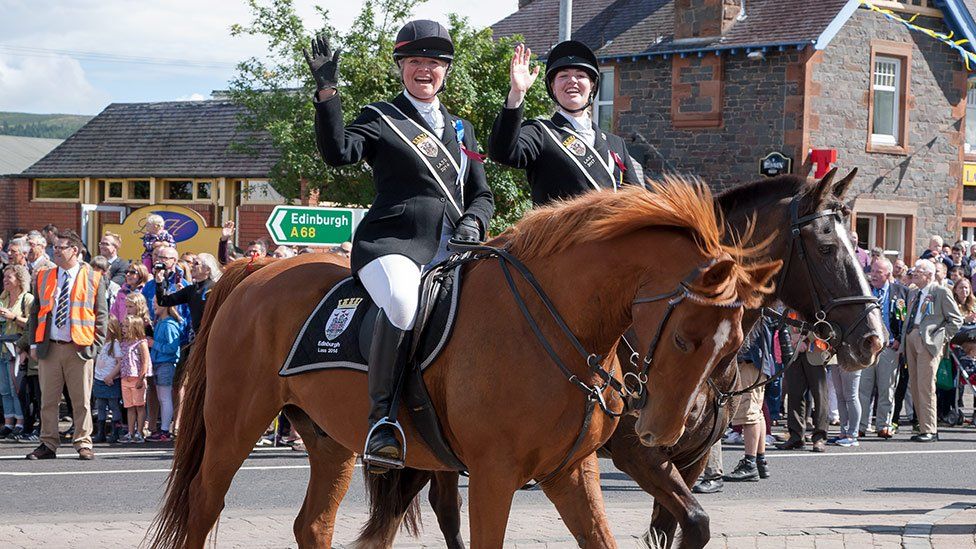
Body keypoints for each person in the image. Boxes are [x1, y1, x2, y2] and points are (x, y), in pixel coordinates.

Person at [306, 20, 494, 472]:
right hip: (393, 244)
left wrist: (474, 221)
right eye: (414, 62)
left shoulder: (462, 130)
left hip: (454, 249)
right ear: (401, 68)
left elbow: (482, 194)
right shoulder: (381, 117)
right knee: (403, 303)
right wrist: (328, 93)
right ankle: (382, 422)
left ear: (446, 70)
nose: (424, 70)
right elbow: (338, 152)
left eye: (433, 62)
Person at [489, 41, 641, 206]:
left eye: (581, 75)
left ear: (592, 86)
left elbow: (637, 200)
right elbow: (501, 153)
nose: (572, 80)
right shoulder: (540, 132)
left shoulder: (616, 144)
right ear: (553, 88)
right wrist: (516, 94)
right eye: (563, 76)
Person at [24, 229, 107, 461]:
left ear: (75, 250)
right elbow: (36, 313)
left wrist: (96, 346)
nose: (56, 252)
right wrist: (33, 343)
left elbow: (102, 315)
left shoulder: (93, 277)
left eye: (61, 248)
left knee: (82, 401)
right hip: (49, 347)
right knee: (48, 400)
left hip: (79, 347)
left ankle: (83, 442)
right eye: (55, 247)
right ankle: (48, 443)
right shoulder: (44, 276)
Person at [901, 259, 963, 442]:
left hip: (927, 342)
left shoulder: (940, 291)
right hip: (911, 338)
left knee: (926, 385)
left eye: (918, 271)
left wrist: (941, 338)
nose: (914, 273)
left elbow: (956, 320)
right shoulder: (914, 292)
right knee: (915, 384)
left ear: (929, 275)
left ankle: (930, 429)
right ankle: (922, 426)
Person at [857, 257, 909, 439]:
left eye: (878, 272)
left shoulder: (901, 292)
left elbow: (905, 320)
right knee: (863, 388)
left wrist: (900, 339)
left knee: (887, 388)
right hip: (867, 347)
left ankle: (884, 425)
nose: (873, 275)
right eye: (872, 271)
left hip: (889, 347)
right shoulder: (864, 291)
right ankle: (861, 425)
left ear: (888, 274)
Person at [724, 316, 781, 481]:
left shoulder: (751, 309)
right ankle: (759, 460)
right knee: (756, 412)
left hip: (750, 361)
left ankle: (750, 463)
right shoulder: (761, 309)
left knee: (749, 413)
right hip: (757, 361)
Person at [778, 312, 830, 452]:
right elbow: (784, 324)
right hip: (794, 353)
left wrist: (804, 339)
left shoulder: (814, 305)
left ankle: (819, 438)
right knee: (794, 394)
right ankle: (796, 437)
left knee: (820, 396)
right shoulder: (790, 305)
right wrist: (792, 338)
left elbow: (824, 327)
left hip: (815, 353)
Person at [0, 265, 33, 440]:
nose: (5, 280)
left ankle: (20, 423)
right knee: (4, 389)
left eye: (9, 277)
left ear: (19, 280)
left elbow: (32, 323)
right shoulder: (2, 298)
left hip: (18, 349)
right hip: (3, 347)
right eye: (4, 277)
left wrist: (13, 317)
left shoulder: (27, 299)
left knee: (16, 389)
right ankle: (8, 423)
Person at [154, 252, 221, 337]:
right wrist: (159, 282)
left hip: (213, 335)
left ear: (207, 269)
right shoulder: (190, 290)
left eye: (196, 263)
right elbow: (163, 301)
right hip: (198, 337)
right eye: (192, 263)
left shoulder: (215, 288)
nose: (192, 266)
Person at [110, 315, 151, 443]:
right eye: (123, 326)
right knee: (130, 407)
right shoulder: (123, 343)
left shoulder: (141, 343)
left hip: (136, 378)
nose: (124, 329)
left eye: (127, 326)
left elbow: (145, 362)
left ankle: (140, 432)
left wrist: (141, 378)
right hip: (125, 377)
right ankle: (130, 432)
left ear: (135, 327)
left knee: (140, 406)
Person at [147, 301, 181, 442]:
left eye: (157, 302)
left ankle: (165, 431)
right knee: (162, 398)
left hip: (165, 364)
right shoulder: (160, 323)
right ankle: (164, 429)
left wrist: (154, 344)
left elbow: (172, 348)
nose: (153, 305)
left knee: (165, 398)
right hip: (159, 363)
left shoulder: (169, 324)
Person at [92, 317, 123, 443]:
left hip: (111, 381)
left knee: (113, 405)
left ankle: (115, 431)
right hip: (99, 379)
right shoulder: (100, 343)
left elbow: (120, 362)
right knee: (100, 406)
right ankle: (101, 432)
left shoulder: (115, 344)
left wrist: (111, 376)